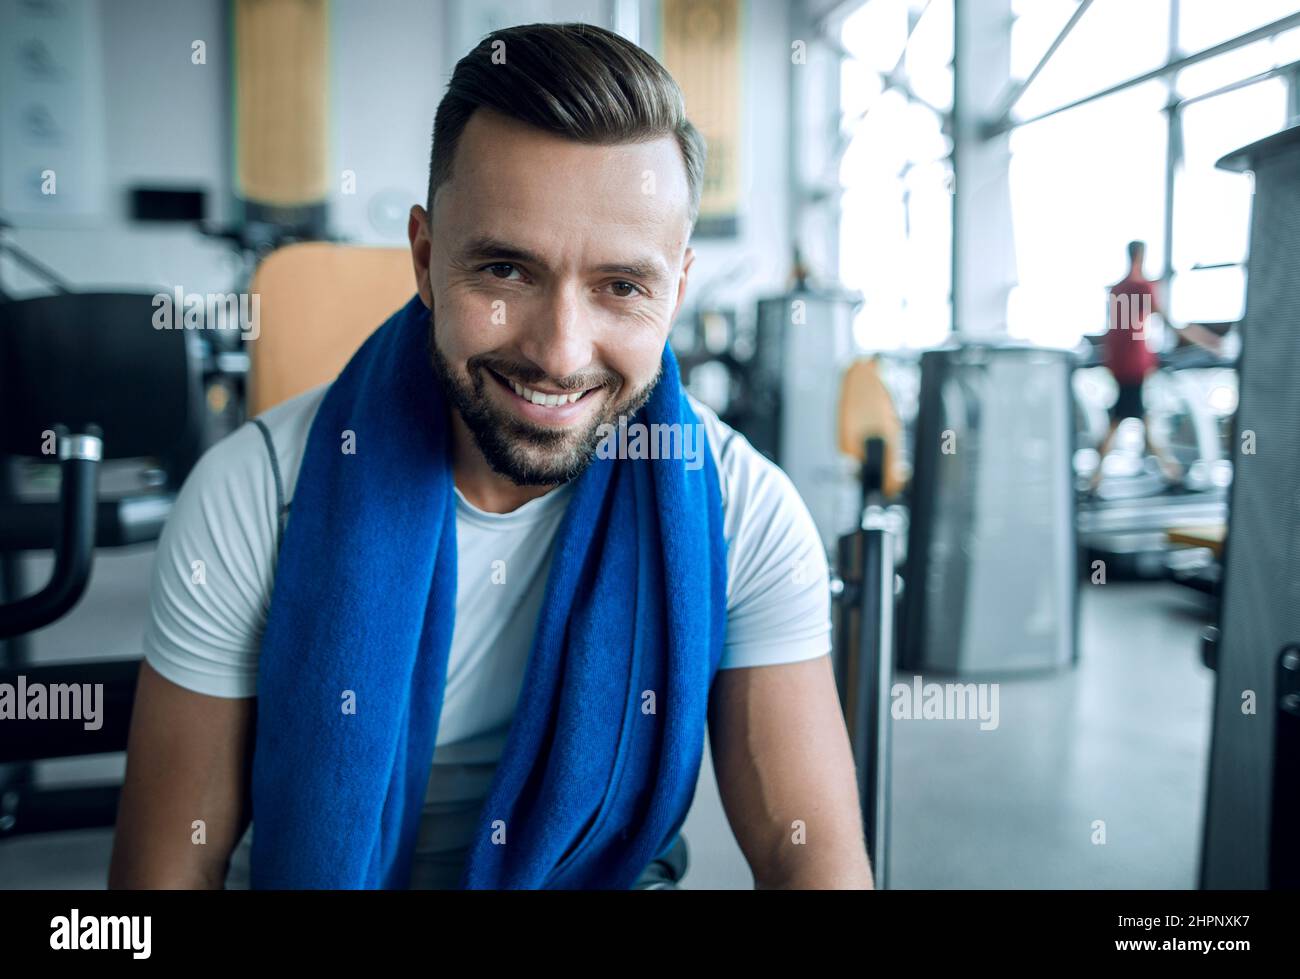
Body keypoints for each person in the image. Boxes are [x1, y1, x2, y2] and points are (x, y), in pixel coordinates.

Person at [108, 23, 873, 891]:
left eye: (622, 286)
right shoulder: (252, 496)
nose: (559, 351)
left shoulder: (744, 512)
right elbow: (165, 872)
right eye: (507, 271)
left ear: (677, 292)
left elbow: (807, 857)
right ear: (426, 259)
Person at [1088, 240, 1221, 494]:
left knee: (1138, 417)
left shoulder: (1117, 289)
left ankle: (1170, 472)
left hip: (1118, 362)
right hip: (1135, 364)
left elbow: (1113, 329)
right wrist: (1209, 342)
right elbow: (1169, 321)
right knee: (1119, 419)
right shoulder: (1143, 287)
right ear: (1141, 256)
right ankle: (1097, 478)